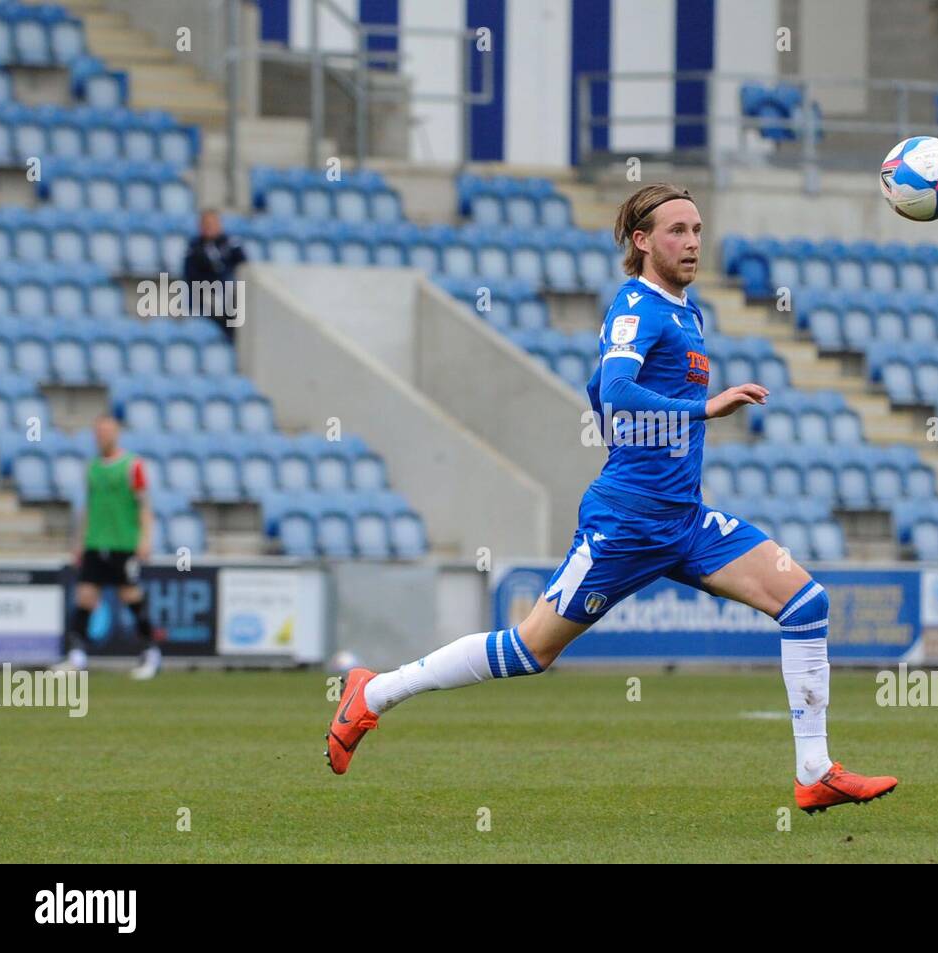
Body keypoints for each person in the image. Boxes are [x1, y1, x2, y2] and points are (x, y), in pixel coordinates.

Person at [325, 184, 897, 814]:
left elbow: (603, 388)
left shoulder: (686, 310)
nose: (692, 242)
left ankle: (814, 771)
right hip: (627, 522)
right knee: (530, 649)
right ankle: (373, 693)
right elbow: (620, 388)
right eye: (676, 230)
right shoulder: (638, 307)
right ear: (641, 241)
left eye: (698, 229)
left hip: (686, 519)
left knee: (806, 602)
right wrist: (701, 408)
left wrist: (632, 412)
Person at [53, 415, 162, 680]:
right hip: (94, 542)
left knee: (130, 596)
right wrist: (79, 542)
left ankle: (151, 652)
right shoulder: (91, 468)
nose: (102, 436)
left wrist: (145, 539)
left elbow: (144, 505)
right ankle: (76, 657)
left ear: (116, 434)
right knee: (86, 596)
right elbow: (87, 507)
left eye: (107, 431)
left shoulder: (132, 465)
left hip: (123, 543)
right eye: (98, 431)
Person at [182, 208, 246, 343]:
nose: (209, 227)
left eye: (212, 224)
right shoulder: (194, 248)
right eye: (206, 224)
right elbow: (190, 275)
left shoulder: (231, 244)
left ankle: (235, 336)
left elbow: (243, 267)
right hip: (206, 291)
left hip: (229, 290)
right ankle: (229, 336)